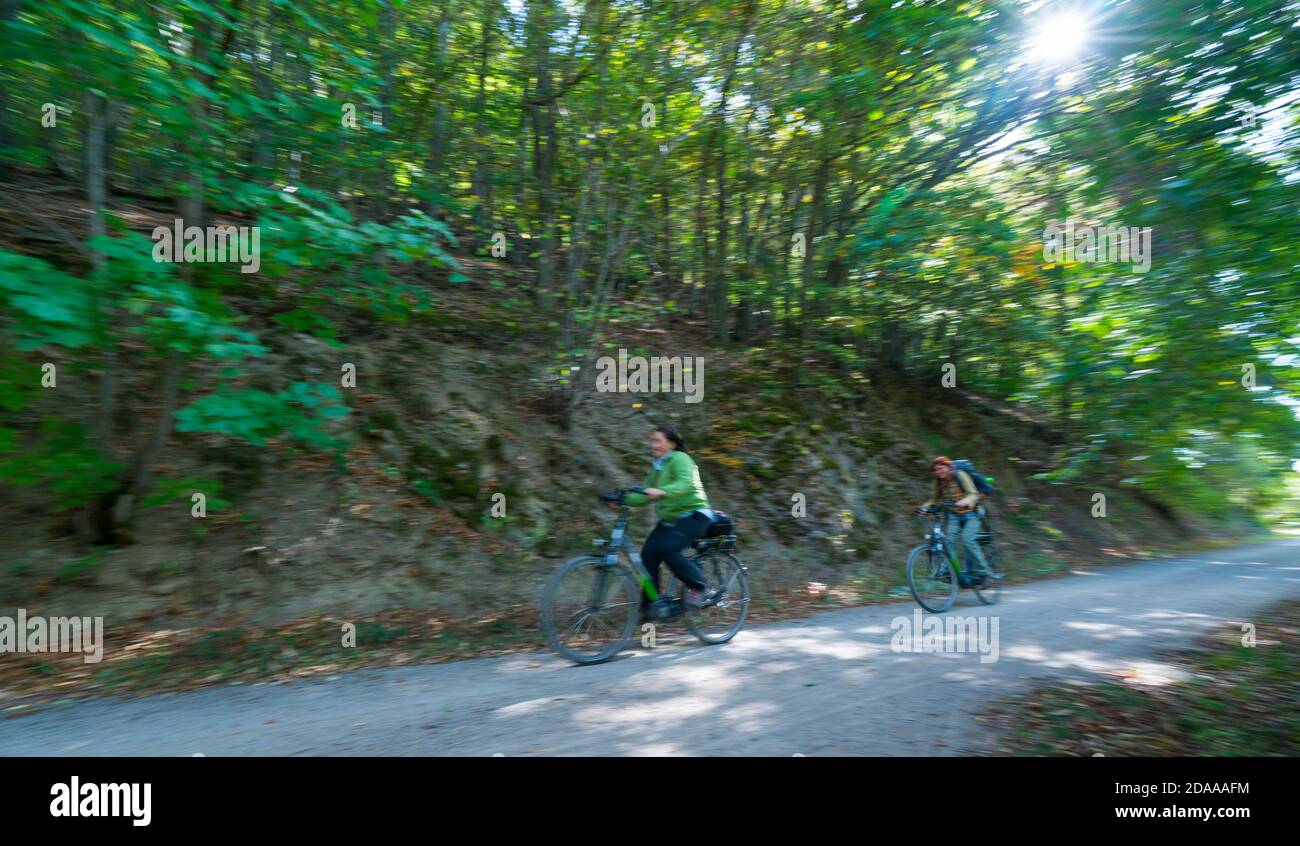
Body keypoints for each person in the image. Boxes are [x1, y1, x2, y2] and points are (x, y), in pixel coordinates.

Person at [624, 424, 716, 610]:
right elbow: (645, 495)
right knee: (648, 555)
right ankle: (652, 604)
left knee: (667, 549)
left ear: (671, 444)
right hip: (671, 519)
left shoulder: (681, 458)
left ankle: (699, 585)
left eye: (658, 441)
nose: (653, 445)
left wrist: (662, 491)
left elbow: (684, 483)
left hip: (694, 514)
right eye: (652, 441)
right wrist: (622, 499)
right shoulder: (658, 466)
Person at [917, 456, 992, 582]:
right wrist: (924, 508)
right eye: (936, 470)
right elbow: (935, 500)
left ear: (948, 467)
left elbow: (973, 493)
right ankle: (946, 571)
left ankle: (984, 572)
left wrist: (965, 501)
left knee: (968, 539)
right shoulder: (938, 482)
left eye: (941, 468)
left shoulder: (960, 475)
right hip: (954, 515)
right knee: (949, 543)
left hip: (972, 513)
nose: (939, 472)